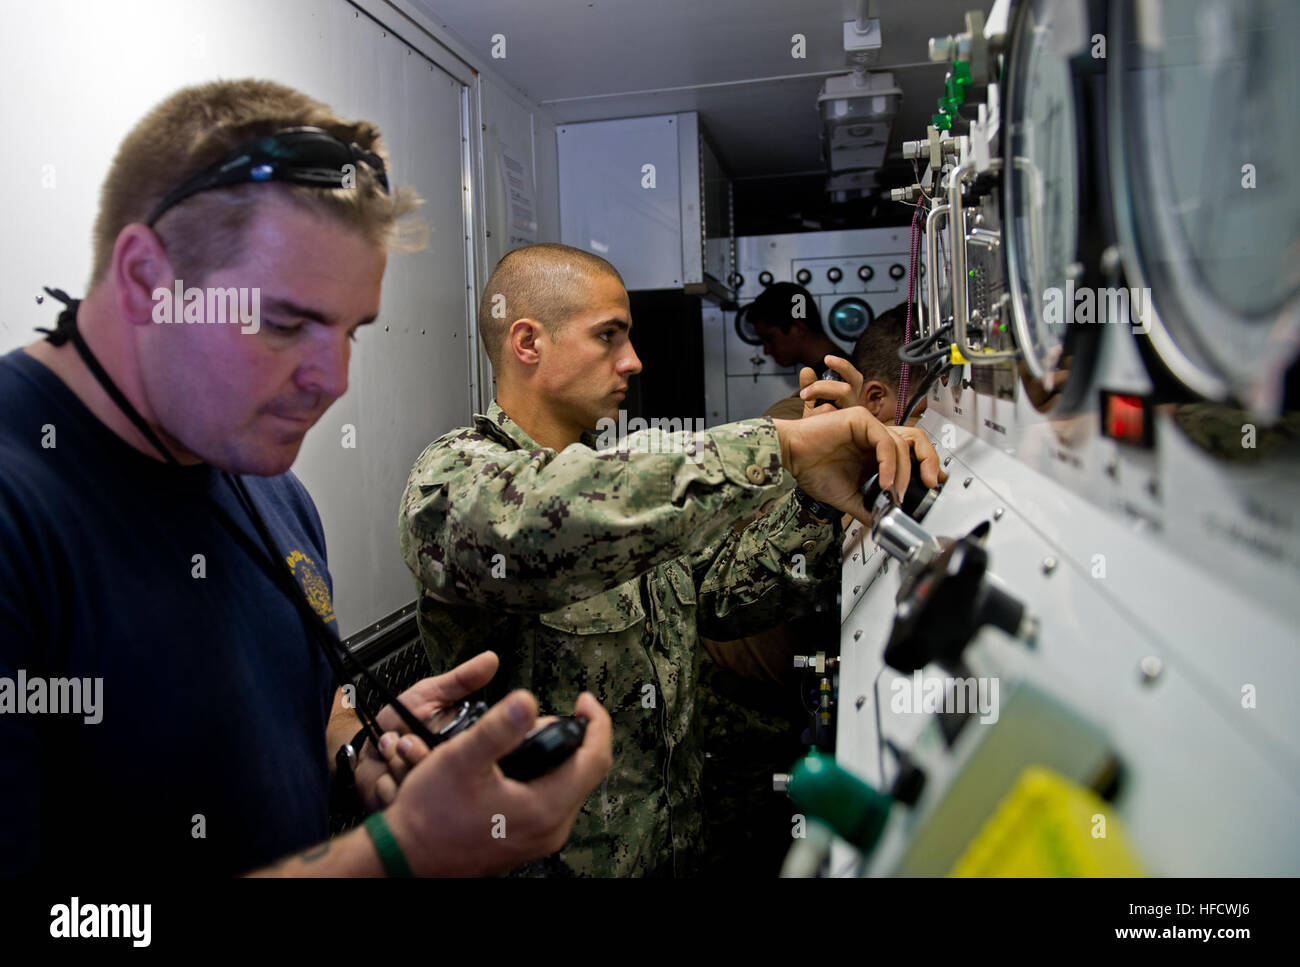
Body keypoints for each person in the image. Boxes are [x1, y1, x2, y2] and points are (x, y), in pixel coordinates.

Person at [0, 79, 612, 877]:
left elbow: (307, 698)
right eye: (286, 322)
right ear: (148, 278)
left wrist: (358, 752)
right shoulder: (22, 510)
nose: (333, 379)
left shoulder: (269, 486)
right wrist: (399, 852)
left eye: (350, 329)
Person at [398, 243, 940, 876]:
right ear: (528, 343)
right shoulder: (455, 478)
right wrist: (782, 446)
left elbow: (728, 595)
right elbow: (552, 519)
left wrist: (818, 504)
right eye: (609, 337)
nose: (633, 361)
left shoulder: (633, 486)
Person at [747, 282, 841, 377]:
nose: (766, 351)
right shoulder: (837, 372)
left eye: (770, 339)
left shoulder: (836, 379)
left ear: (799, 328)